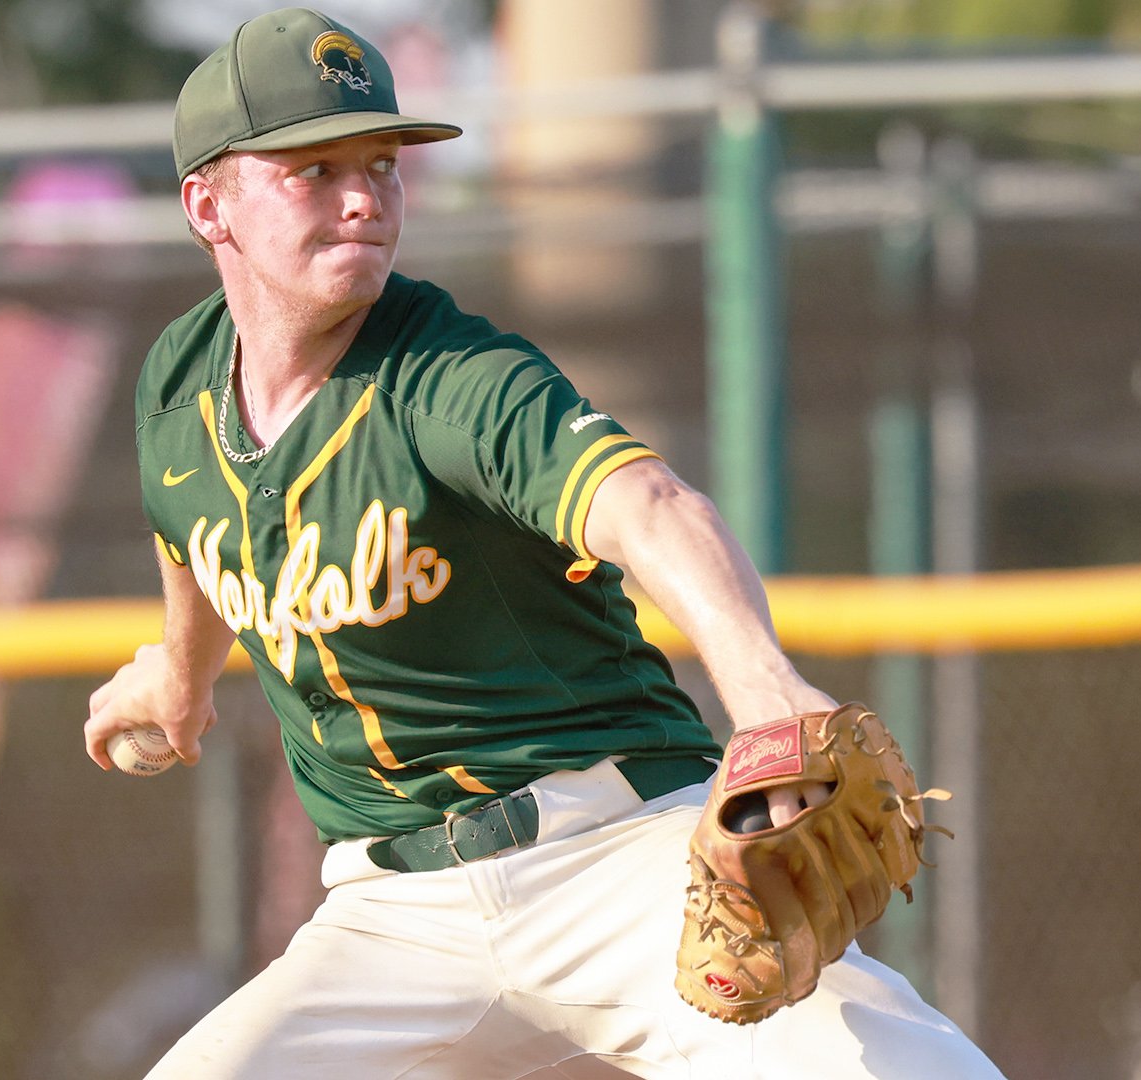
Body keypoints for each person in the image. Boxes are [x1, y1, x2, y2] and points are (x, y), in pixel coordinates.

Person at [85, 9, 1005, 1079]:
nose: (363, 198)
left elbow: (649, 503)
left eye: (379, 164)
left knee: (895, 1068)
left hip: (612, 854)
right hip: (391, 917)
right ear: (210, 205)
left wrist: (763, 688)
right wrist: (181, 675)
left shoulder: (454, 378)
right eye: (312, 169)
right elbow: (192, 524)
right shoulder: (177, 386)